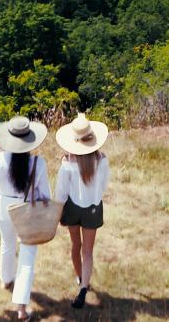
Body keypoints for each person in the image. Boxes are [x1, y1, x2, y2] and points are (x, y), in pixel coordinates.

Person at [0, 115, 51, 321]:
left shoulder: (0, 159)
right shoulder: (38, 163)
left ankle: (6, 280)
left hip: (5, 208)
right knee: (27, 258)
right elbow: (45, 196)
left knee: (7, 244)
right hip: (28, 210)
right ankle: (21, 308)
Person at [53, 113, 110, 309]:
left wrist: (56, 213)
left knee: (75, 245)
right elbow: (104, 186)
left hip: (72, 208)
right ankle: (84, 286)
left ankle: (79, 277)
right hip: (93, 208)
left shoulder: (67, 163)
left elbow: (61, 193)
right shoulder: (102, 161)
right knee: (88, 251)